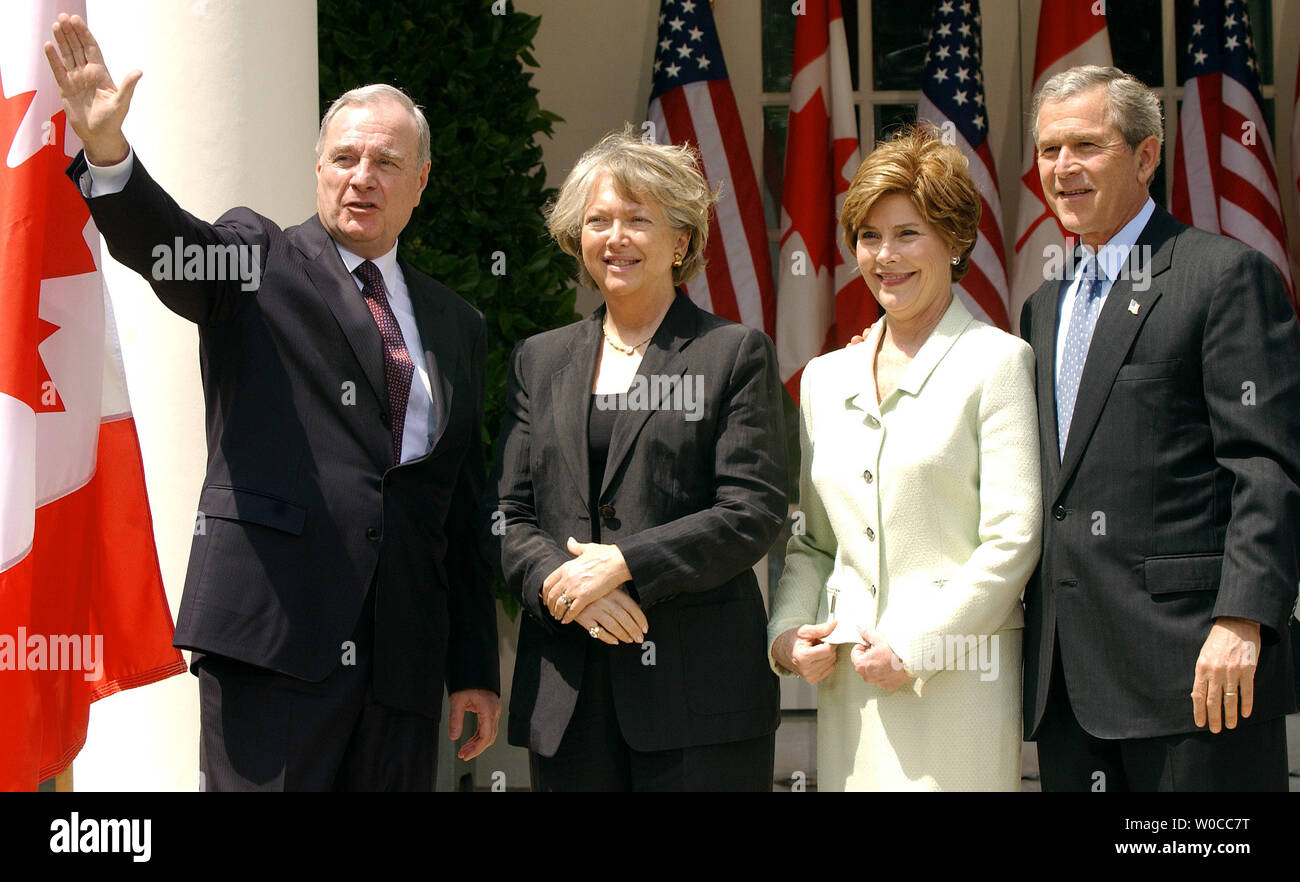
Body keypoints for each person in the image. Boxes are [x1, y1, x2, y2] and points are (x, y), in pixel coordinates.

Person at [44, 13, 500, 790]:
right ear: (317, 166)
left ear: (421, 182)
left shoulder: (457, 323)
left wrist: (473, 667)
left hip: (402, 664)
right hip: (275, 642)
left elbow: (457, 507)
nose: (363, 177)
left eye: (387, 162)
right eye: (346, 157)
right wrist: (109, 155)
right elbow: (167, 250)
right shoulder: (254, 257)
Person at [1020, 65, 1300, 791]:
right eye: (1050, 150)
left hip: (1196, 674)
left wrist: (1244, 620)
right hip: (1069, 689)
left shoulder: (1224, 276)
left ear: (1146, 156)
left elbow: (1266, 467)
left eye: (1086, 145)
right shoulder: (1043, 307)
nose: (1062, 168)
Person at [489, 127, 788, 791]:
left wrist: (625, 566)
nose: (615, 237)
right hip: (570, 697)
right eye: (598, 220)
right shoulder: (539, 360)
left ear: (681, 241)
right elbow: (506, 514)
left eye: (637, 220)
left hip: (697, 702)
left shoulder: (733, 354)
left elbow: (755, 509)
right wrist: (564, 589)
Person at [768, 126, 1041, 791]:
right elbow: (814, 545)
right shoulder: (826, 379)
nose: (884, 256)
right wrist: (786, 634)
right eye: (868, 236)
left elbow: (1013, 539)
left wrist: (920, 646)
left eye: (907, 233)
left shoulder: (998, 363)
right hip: (848, 694)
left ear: (955, 241)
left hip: (960, 684)